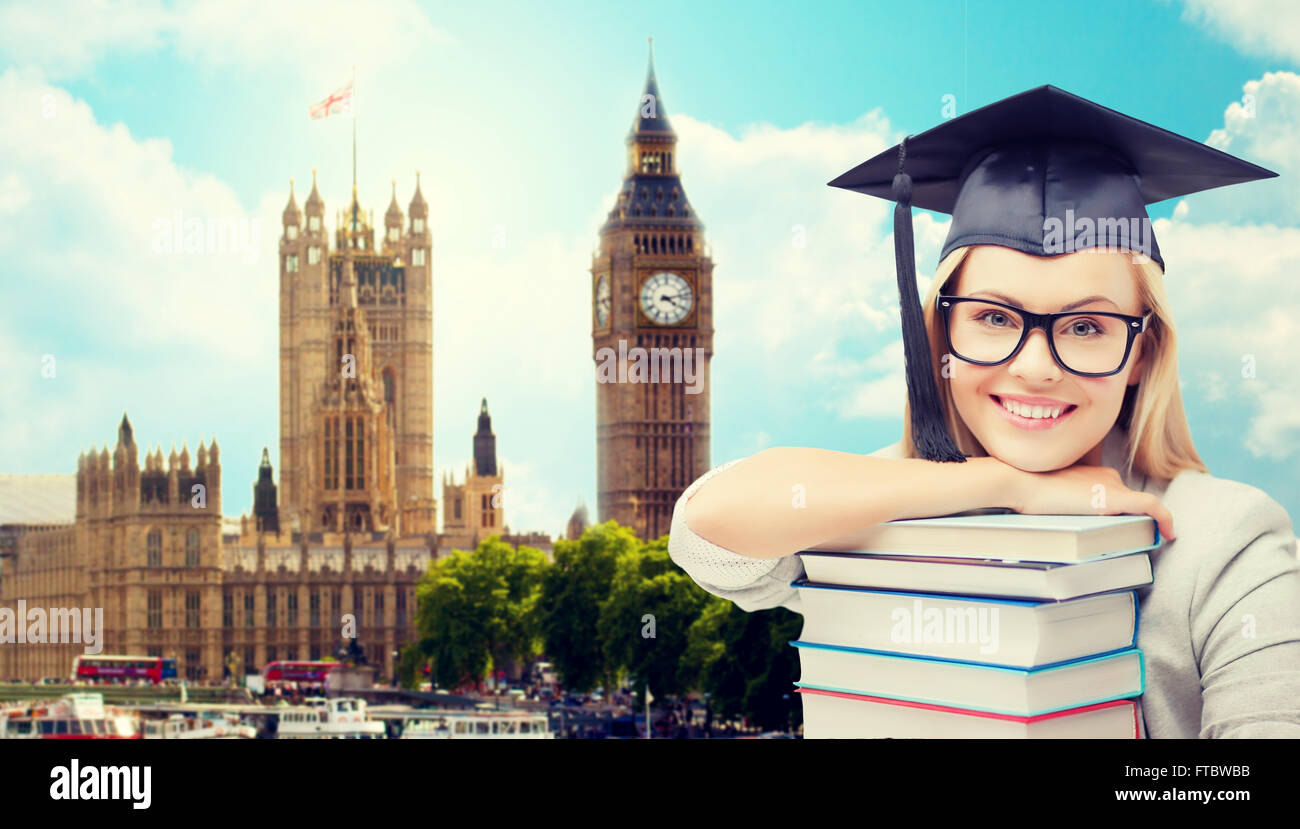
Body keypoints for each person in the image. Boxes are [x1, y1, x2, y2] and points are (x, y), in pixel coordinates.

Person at [668, 85, 1299, 739]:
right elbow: (704, 529)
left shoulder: (1226, 540)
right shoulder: (877, 504)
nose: (1036, 366)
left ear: (1143, 350)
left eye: (1086, 326)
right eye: (995, 318)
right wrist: (1008, 486)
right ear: (941, 334)